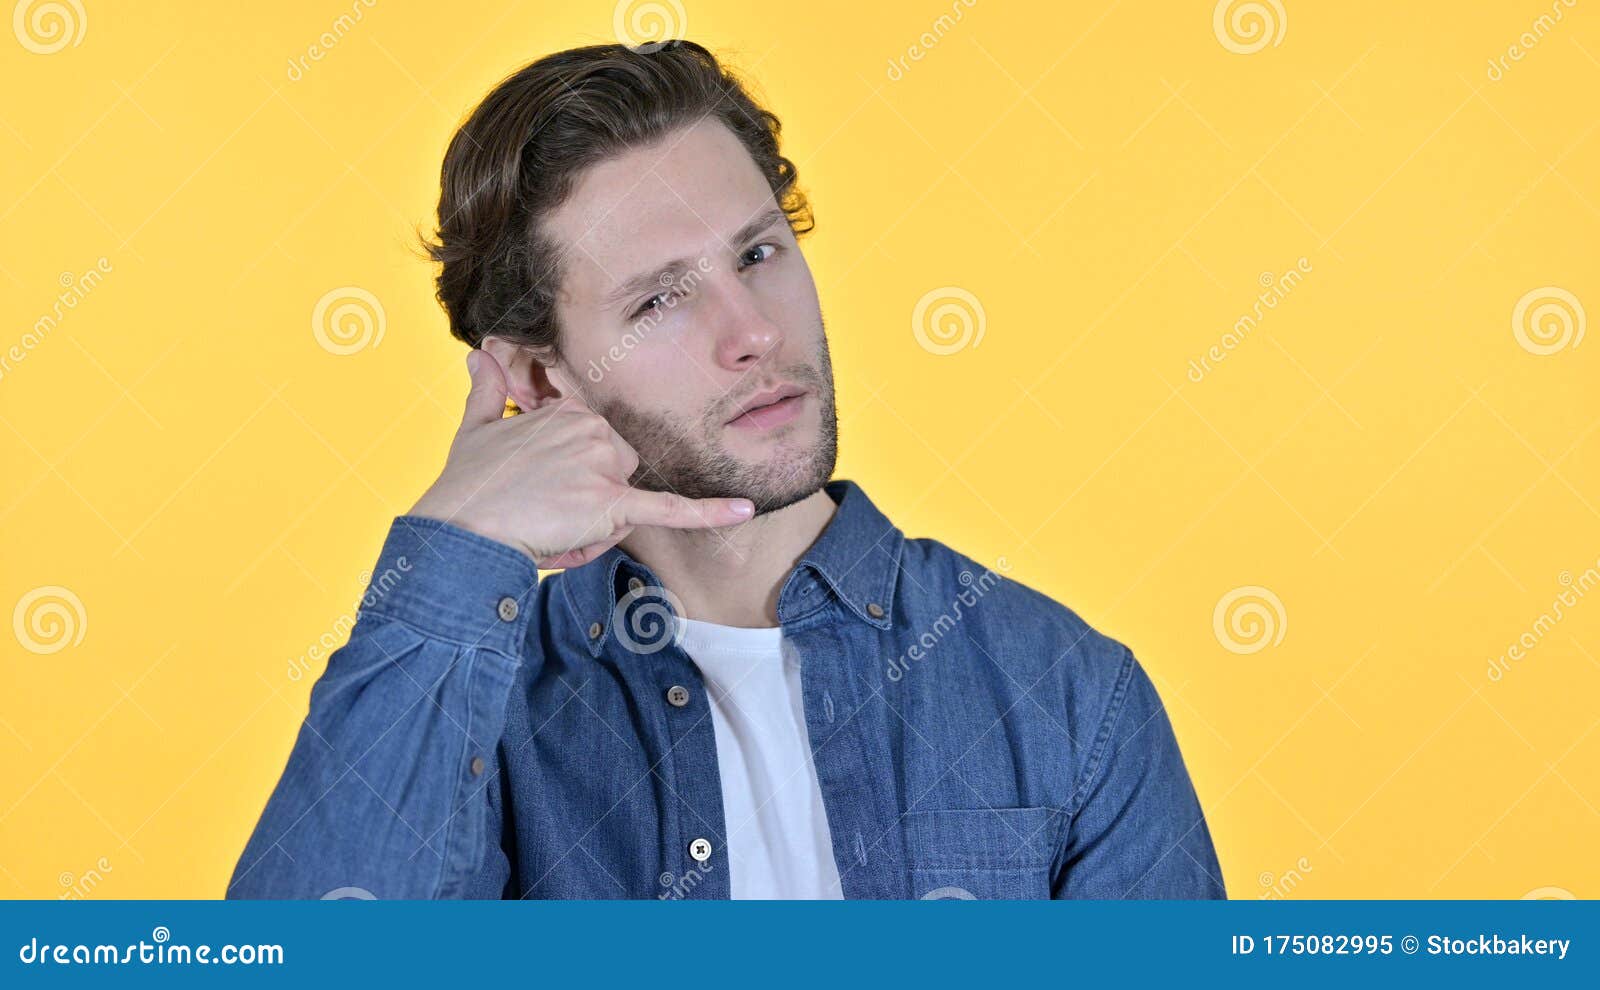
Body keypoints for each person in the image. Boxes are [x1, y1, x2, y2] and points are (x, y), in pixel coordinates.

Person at [227, 39, 1225, 900]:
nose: (752, 333)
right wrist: (455, 545)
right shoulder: (478, 717)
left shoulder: (1064, 690)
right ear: (539, 376)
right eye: (658, 301)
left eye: (756, 255)